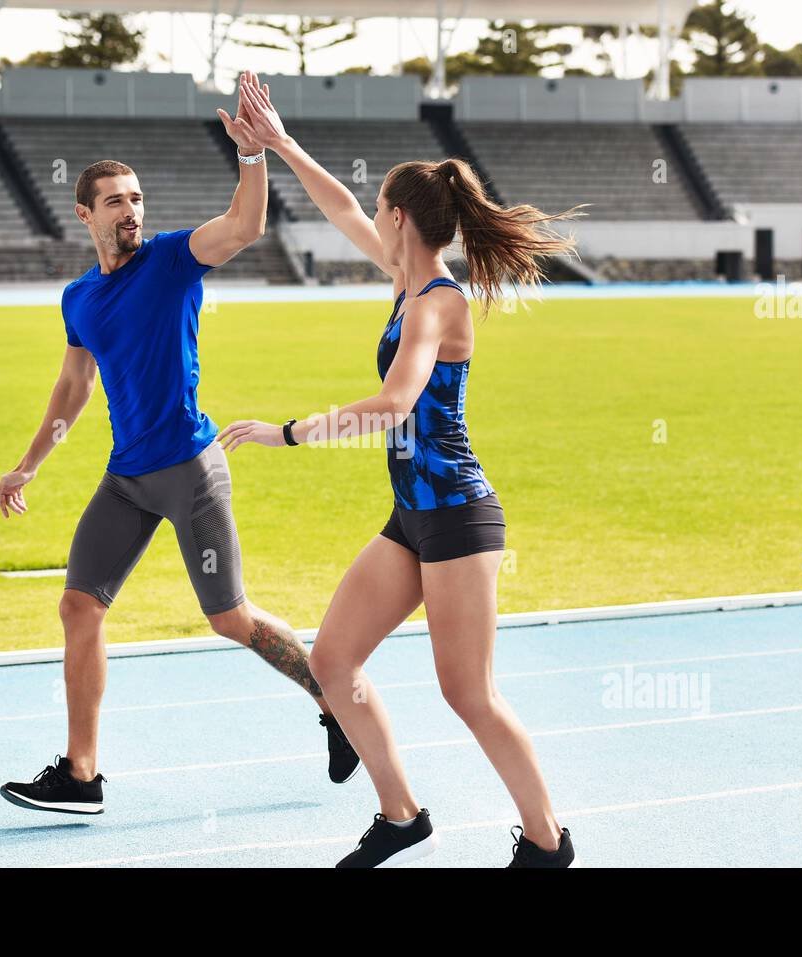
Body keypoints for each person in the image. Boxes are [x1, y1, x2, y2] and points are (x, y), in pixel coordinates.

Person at [217, 79, 580, 867]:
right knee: (333, 660)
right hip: (413, 517)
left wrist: (289, 432)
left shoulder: (437, 304)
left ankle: (549, 841)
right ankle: (400, 814)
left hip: (455, 513)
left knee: (468, 692)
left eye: (382, 208)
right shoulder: (405, 278)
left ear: (403, 217)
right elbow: (341, 205)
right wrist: (278, 145)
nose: (370, 218)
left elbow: (391, 403)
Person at [0, 71, 359, 816]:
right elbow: (73, 388)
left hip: (191, 471)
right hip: (127, 478)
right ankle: (82, 774)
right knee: (78, 608)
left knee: (230, 617)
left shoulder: (172, 259)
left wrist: (252, 154)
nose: (132, 209)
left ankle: (337, 703)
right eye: (117, 200)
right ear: (84, 213)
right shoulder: (79, 297)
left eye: (137, 198)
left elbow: (244, 226)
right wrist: (27, 465)